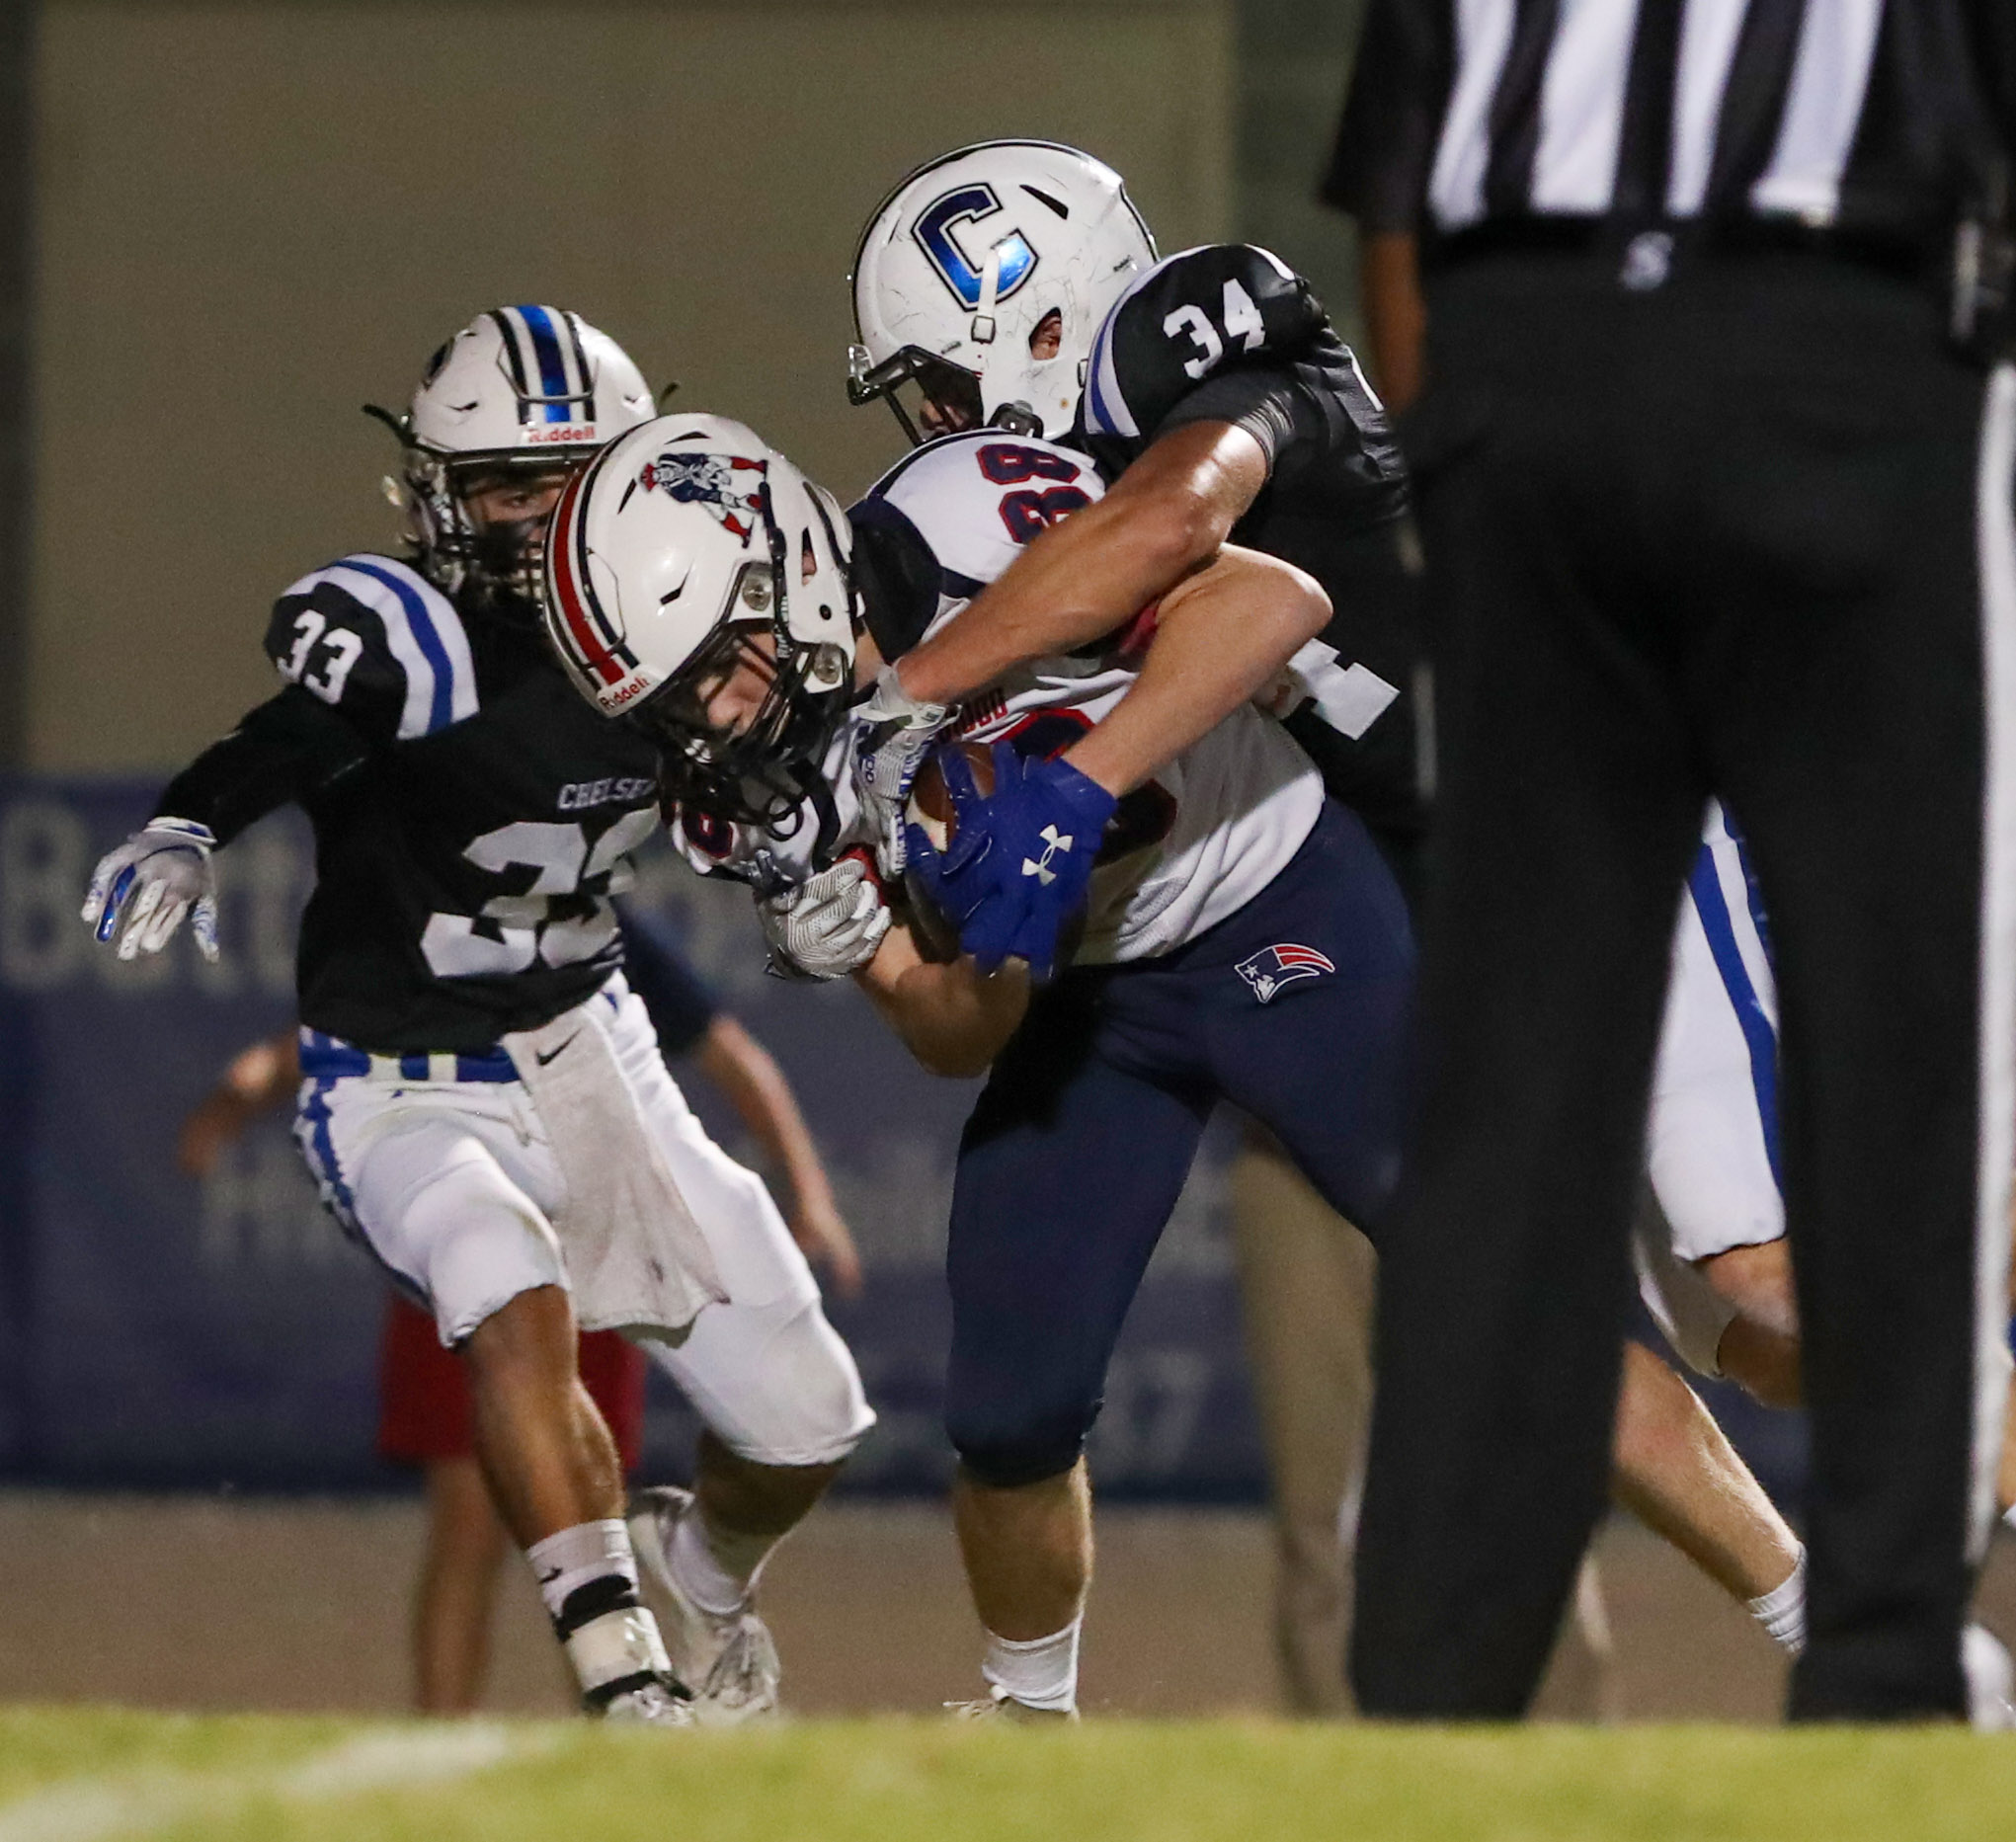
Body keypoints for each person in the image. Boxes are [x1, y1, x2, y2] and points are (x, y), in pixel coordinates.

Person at [843, 140, 1825, 1691]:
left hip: (1583, 836)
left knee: (1753, 1300)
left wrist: (904, 695)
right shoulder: (1062, 495)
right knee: (1729, 1336)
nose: (941, 435)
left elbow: (1183, 533)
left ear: (1031, 323)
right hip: (1437, 903)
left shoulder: (1199, 330)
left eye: (944, 388)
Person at [1321, 3, 2016, 1721]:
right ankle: (1878, 1675)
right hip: (1840, 341)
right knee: (1898, 1063)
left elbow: (1395, 170)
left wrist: (1463, 464)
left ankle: (1429, 1690)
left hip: (1529, 361)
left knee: (1510, 1109)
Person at [543, 406, 1409, 1719]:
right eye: (669, 708)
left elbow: (1268, 601)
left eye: (712, 671)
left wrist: (1064, 784)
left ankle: (1791, 1598)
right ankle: (1028, 1719)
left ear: (781, 564)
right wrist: (955, 939)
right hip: (1088, 991)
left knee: (1487, 1260)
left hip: (1268, 878)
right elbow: (958, 1036)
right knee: (1008, 1406)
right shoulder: (740, 796)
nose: (708, 725)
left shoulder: (961, 517)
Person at [84, 309, 872, 1723]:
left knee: (808, 1414)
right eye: (502, 487)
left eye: (558, 486)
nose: (526, 524)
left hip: (592, 1044)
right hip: (403, 1077)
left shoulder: (691, 623)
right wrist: (191, 825)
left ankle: (695, 1569)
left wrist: (832, 888)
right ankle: (627, 1687)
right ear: (445, 496)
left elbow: (789, 786)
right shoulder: (420, 638)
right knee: (507, 1290)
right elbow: (288, 738)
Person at [177, 903, 861, 1714]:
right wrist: (242, 1091)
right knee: (470, 1521)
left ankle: (620, 1718)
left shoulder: (586, 904)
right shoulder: (427, 881)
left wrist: (808, 1193)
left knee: (585, 1514)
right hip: (461, 1214)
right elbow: (331, 1033)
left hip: (582, 1236)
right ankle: (450, 1737)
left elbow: (731, 1053)